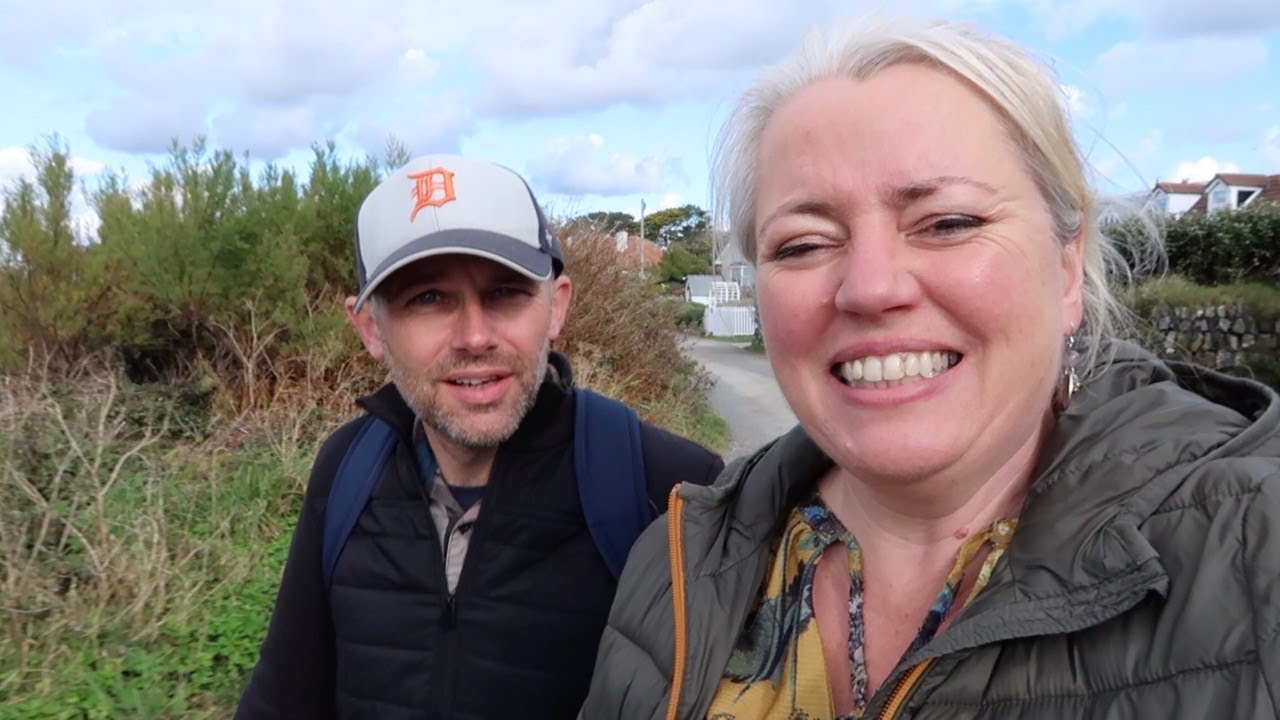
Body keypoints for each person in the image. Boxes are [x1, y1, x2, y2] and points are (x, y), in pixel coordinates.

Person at [582, 18, 1280, 720]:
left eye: (947, 223)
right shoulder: (678, 560)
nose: (871, 287)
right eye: (804, 244)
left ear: (1067, 267)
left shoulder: (1257, 550)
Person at [235, 154, 724, 719]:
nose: (473, 336)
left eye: (505, 293)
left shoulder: (669, 490)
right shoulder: (346, 469)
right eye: (428, 298)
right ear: (371, 328)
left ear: (556, 306)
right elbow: (282, 698)